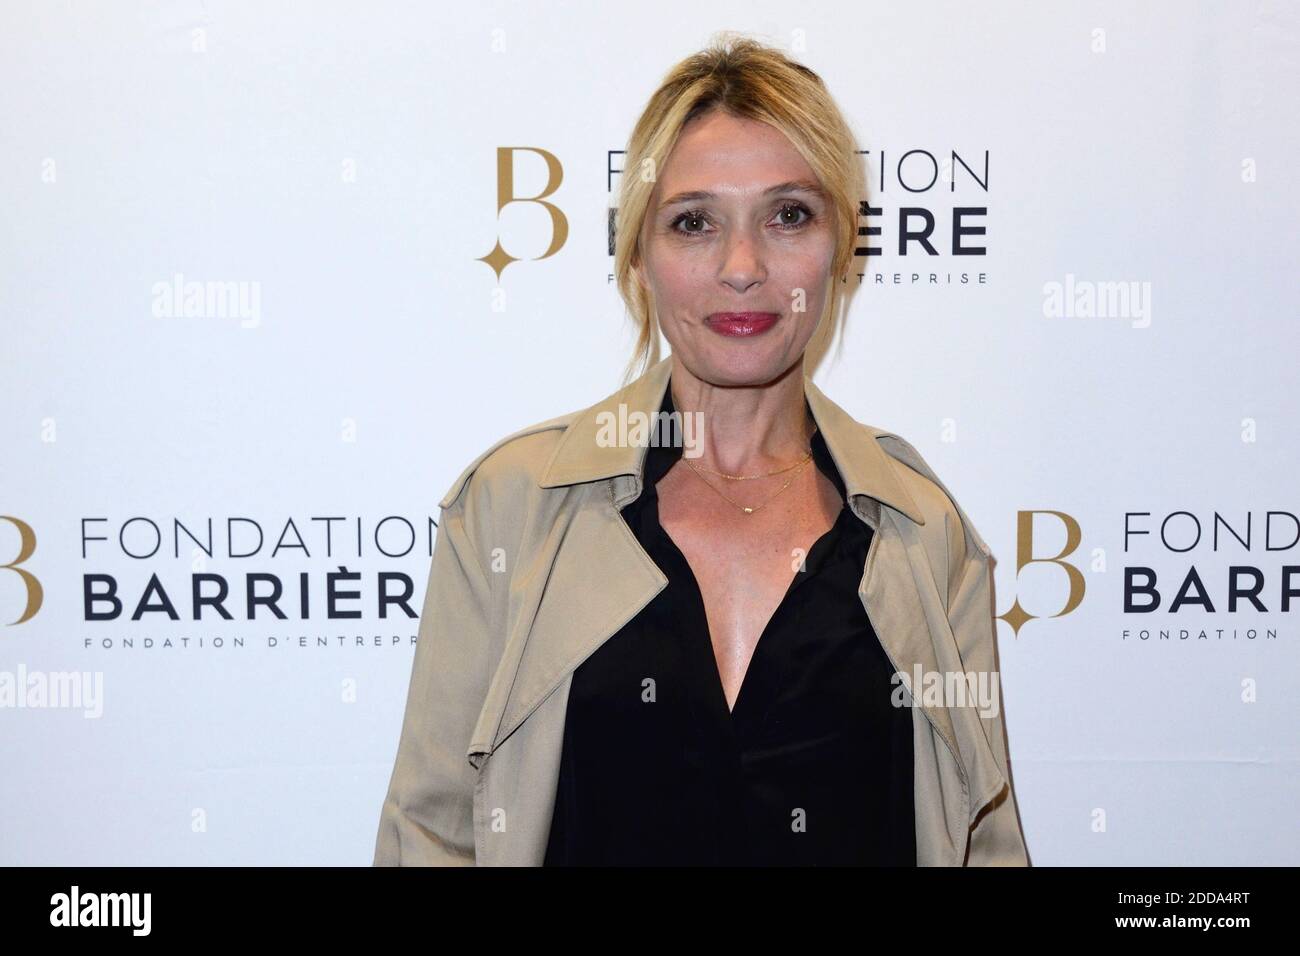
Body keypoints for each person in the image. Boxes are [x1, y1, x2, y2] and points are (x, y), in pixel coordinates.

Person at [373, 33, 1029, 866]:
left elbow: (986, 846)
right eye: (694, 223)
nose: (743, 266)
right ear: (640, 257)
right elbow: (432, 833)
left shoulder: (923, 532)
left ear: (842, 245)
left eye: (789, 215)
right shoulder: (512, 507)